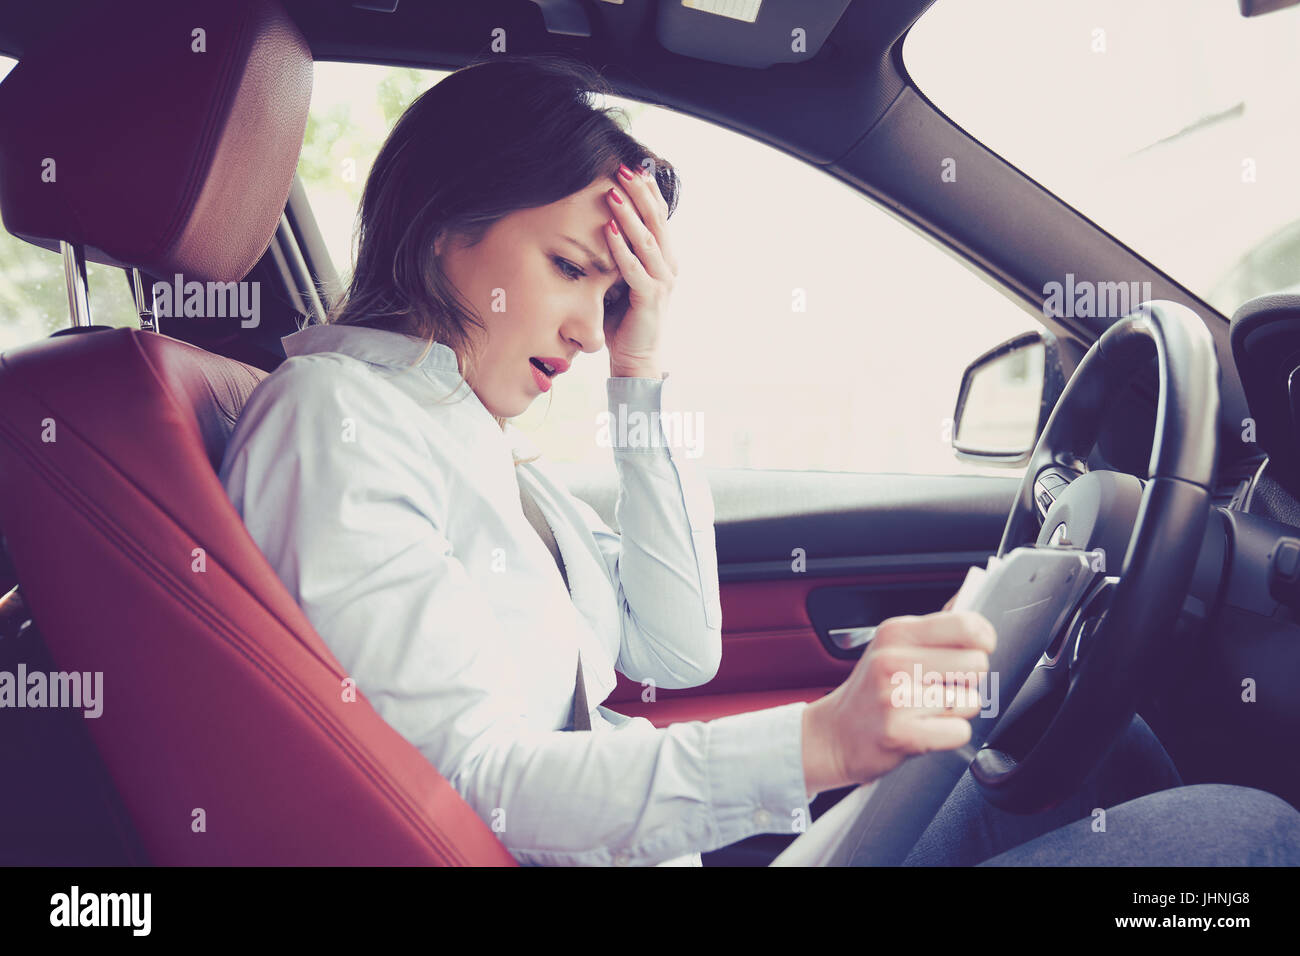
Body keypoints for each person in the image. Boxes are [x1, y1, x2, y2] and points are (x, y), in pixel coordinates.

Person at [219, 53, 1300, 866]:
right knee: (1245, 834)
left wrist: (641, 370)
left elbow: (678, 647)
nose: (592, 327)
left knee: (1114, 753)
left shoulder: (462, 435)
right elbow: (480, 786)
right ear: (444, 227)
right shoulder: (337, 423)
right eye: (567, 267)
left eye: (614, 291)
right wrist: (822, 740)